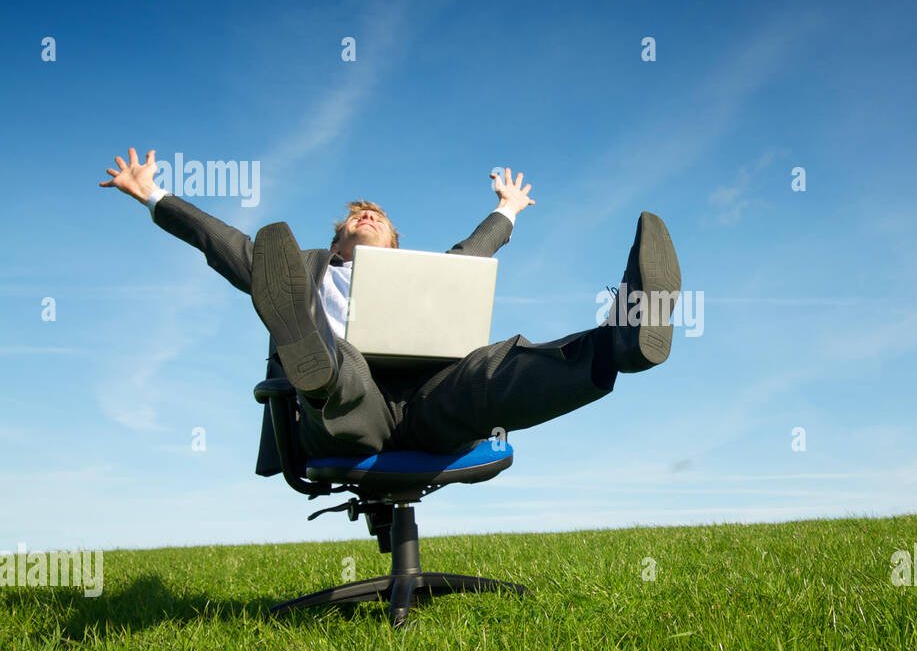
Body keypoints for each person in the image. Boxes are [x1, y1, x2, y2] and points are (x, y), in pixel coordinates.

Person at [99, 147, 681, 471]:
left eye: (377, 216)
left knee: (491, 371)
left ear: (396, 242)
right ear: (337, 238)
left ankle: (621, 343)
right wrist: (152, 193)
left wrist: (508, 210)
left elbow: (476, 249)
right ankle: (311, 356)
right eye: (355, 216)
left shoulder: (426, 276)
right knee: (340, 366)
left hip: (430, 407)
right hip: (343, 420)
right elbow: (219, 240)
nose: (366, 217)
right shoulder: (297, 269)